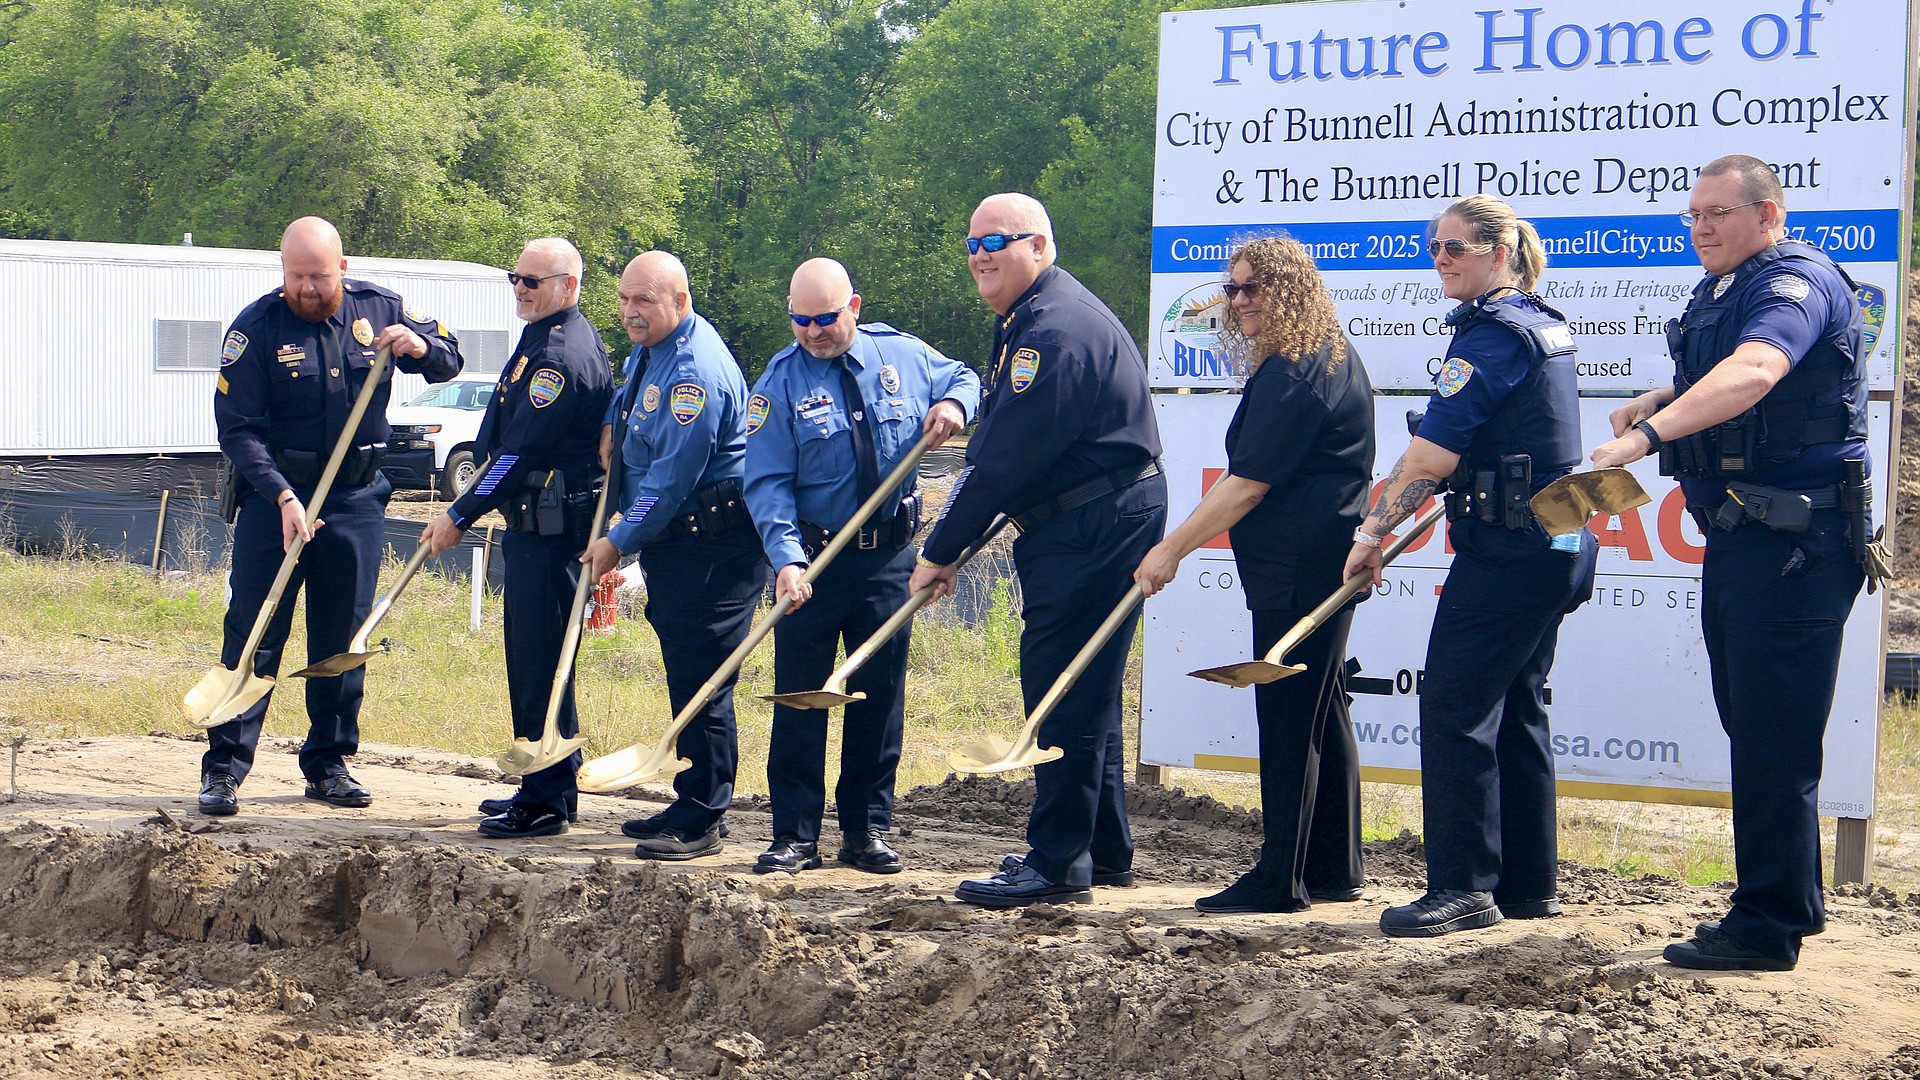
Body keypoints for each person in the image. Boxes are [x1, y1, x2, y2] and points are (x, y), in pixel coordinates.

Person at [1592, 155, 1869, 972]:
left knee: (1772, 735)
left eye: (1719, 212)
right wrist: (1657, 399)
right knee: (1753, 722)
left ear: (1769, 214)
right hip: (1747, 536)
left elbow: (1755, 372)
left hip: (1796, 543)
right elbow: (1714, 373)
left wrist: (1645, 437)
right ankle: (1790, 902)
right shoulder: (1723, 287)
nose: (1702, 227)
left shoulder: (1795, 281)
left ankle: (1764, 928)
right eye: (1694, 215)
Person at [1343, 194, 1596, 938]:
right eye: (1434, 248)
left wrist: (1373, 531)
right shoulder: (1536, 321)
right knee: (1517, 703)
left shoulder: (1490, 335)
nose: (1440, 260)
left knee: (1455, 705)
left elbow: (1431, 454)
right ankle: (1526, 883)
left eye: (1453, 247)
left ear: (1497, 251)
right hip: (1551, 539)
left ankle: (1462, 887)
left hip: (1516, 548)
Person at [909, 193, 1167, 907]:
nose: (982, 254)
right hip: (1093, 516)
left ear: (1041, 247)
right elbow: (1003, 446)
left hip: (1094, 524)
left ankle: (1057, 862)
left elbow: (997, 464)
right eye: (972, 244)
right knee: (1085, 688)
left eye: (1000, 240)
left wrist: (940, 551)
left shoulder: (1051, 333)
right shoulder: (1031, 318)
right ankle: (1102, 851)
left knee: (1060, 689)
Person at [1133, 236, 1374, 914]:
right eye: (1233, 287)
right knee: (1322, 706)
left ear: (1290, 290)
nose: (1238, 300)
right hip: (1312, 561)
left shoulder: (1297, 368)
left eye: (1253, 288)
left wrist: (1171, 548)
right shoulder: (1327, 354)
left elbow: (1245, 486)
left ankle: (1280, 879)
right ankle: (1332, 867)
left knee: (1290, 712)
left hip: (1299, 566)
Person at [201, 216, 463, 816]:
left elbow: (449, 357)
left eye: (318, 276)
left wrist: (420, 346)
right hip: (279, 500)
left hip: (354, 498)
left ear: (341, 268)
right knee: (255, 632)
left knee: (343, 634)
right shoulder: (257, 328)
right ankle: (223, 768)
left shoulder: (384, 306)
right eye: (296, 276)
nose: (308, 288)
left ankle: (328, 763)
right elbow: (237, 430)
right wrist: (281, 497)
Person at [742, 258, 980, 874]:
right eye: (802, 320)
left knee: (876, 697)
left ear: (853, 305)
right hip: (814, 563)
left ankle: (866, 830)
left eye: (825, 318)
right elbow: (766, 484)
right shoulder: (779, 384)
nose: (815, 331)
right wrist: (787, 561)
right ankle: (794, 834)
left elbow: (966, 377)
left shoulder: (900, 355)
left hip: (890, 561)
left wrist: (954, 402)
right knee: (802, 697)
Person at [580, 251, 767, 861]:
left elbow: (670, 481)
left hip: (711, 542)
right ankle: (691, 795)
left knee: (705, 676)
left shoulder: (695, 372)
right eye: (626, 299)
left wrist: (615, 543)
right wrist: (613, 424)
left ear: (680, 302)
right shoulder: (652, 346)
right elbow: (630, 395)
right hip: (677, 542)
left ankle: (705, 815)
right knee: (685, 667)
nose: (632, 312)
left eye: (647, 302)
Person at [423, 238, 611, 839]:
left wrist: (460, 513)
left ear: (569, 286)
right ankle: (545, 781)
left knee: (540, 661)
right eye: (516, 277)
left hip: (554, 532)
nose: (521, 289)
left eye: (534, 280)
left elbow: (516, 453)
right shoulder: (540, 337)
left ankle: (548, 799)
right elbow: (497, 436)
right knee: (536, 659)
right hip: (535, 525)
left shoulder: (560, 354)